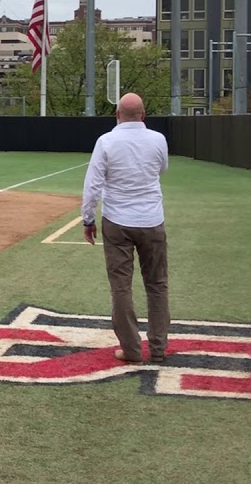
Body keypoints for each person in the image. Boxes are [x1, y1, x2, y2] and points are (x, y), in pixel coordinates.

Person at [81, 93, 170, 365]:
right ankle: (158, 348)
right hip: (152, 220)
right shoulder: (158, 139)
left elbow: (93, 183)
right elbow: (161, 169)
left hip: (117, 221)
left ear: (117, 115)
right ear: (143, 115)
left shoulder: (106, 141)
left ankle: (131, 349)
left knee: (121, 287)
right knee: (157, 286)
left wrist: (88, 219)